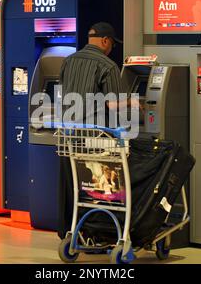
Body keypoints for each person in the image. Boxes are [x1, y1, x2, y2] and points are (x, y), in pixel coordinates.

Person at [57, 22, 141, 239]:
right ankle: (101, 232)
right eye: (112, 44)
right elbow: (114, 104)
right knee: (101, 187)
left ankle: (73, 230)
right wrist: (134, 101)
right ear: (105, 41)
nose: (112, 48)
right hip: (96, 138)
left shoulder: (68, 61)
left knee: (76, 187)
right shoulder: (108, 65)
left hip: (69, 136)